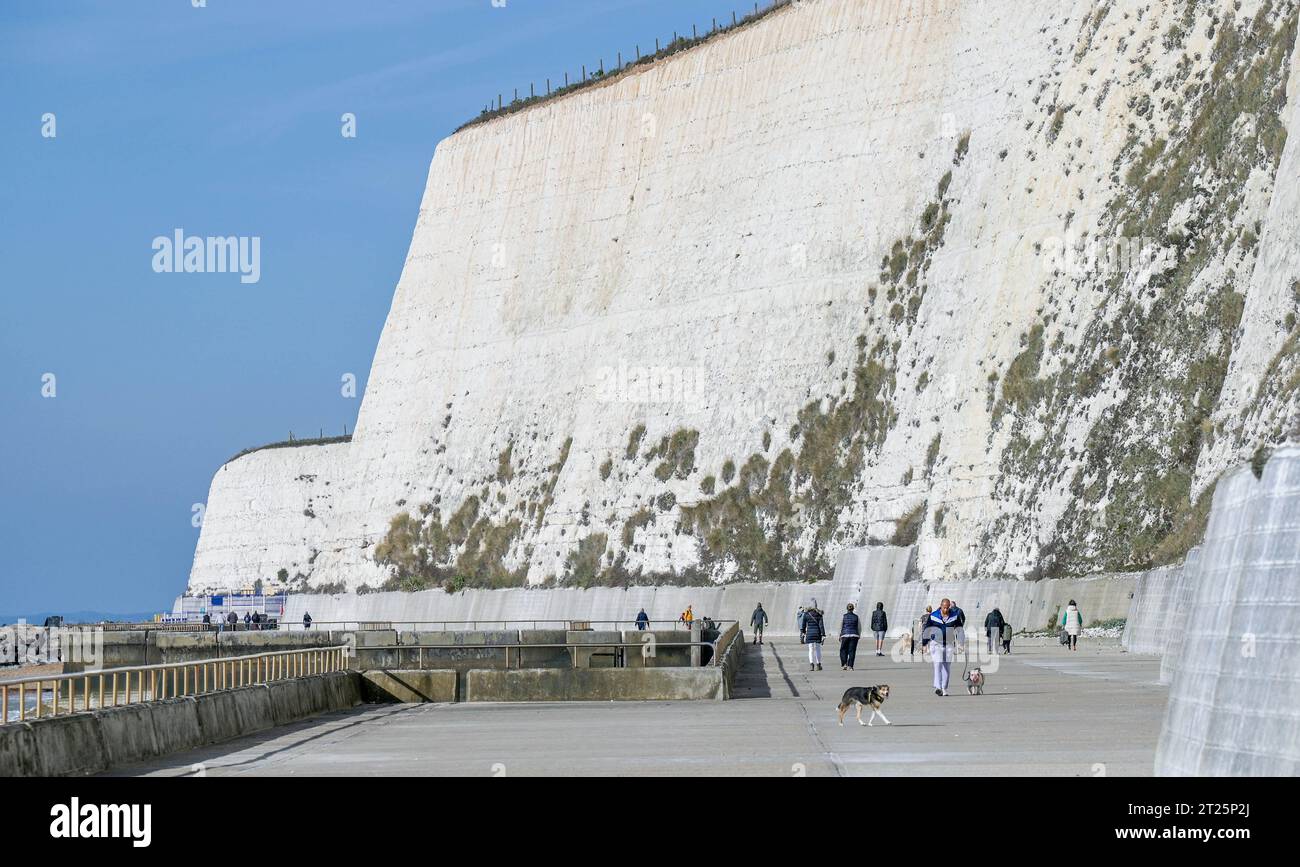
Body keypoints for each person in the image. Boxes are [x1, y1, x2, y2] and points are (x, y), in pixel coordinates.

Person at [926, 598, 961, 696]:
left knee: (946, 667)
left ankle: (944, 688)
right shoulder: (933, 616)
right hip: (936, 643)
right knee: (937, 664)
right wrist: (924, 643)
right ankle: (938, 687)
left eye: (947, 608)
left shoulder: (954, 616)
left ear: (949, 606)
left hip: (949, 644)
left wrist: (961, 642)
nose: (945, 610)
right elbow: (927, 629)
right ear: (941, 606)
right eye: (944, 607)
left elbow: (959, 628)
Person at [801, 604, 825, 671]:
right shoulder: (819, 614)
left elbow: (803, 625)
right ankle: (818, 665)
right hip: (817, 634)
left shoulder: (806, 614)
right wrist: (823, 634)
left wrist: (803, 632)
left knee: (810, 650)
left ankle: (811, 665)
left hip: (809, 634)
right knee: (818, 649)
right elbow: (821, 626)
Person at [839, 603, 860, 670]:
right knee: (852, 651)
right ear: (853, 609)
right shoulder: (856, 617)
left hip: (845, 635)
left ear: (847, 609)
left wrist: (840, 635)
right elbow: (859, 627)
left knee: (843, 650)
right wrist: (859, 634)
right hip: (854, 635)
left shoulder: (844, 616)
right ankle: (850, 666)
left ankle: (844, 664)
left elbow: (841, 626)